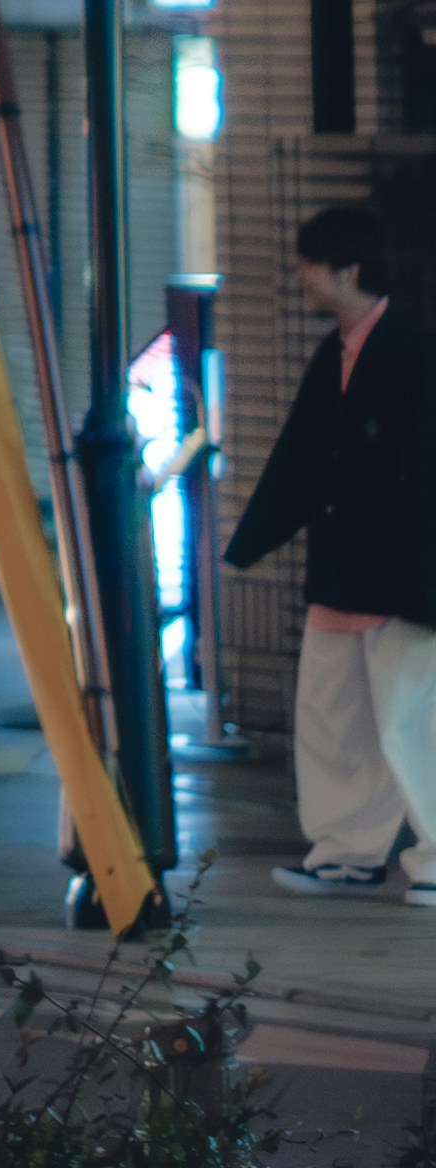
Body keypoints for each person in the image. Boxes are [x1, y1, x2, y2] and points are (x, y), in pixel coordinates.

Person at [222, 203, 436, 893]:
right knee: (330, 715)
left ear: (348, 270)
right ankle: (347, 851)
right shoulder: (339, 351)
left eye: (309, 268)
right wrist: (248, 544)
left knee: (411, 721)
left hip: (401, 576)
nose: (301, 281)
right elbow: (301, 462)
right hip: (346, 571)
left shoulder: (410, 349)